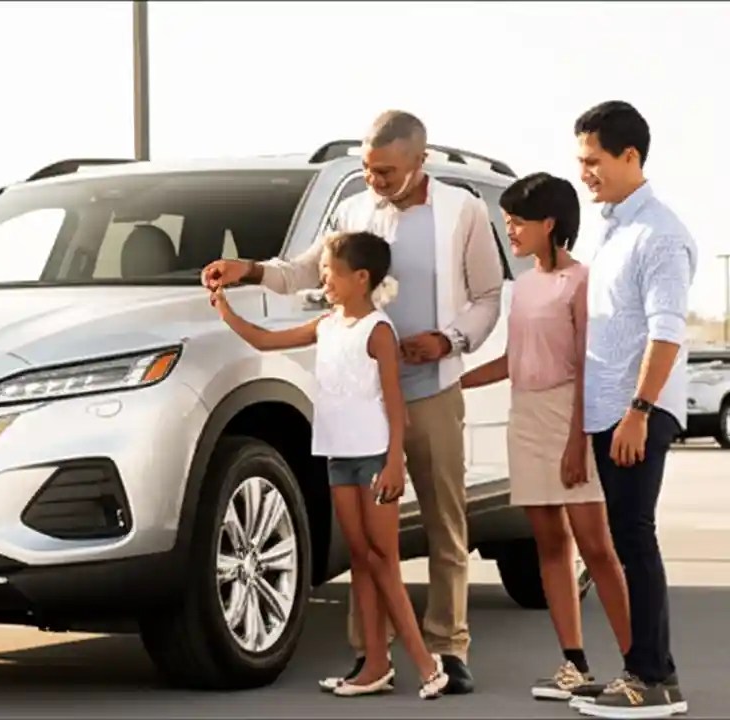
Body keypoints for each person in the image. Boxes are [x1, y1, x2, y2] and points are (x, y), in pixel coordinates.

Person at [201, 110, 504, 694]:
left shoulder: (463, 211)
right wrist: (249, 272)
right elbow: (304, 273)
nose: (375, 179)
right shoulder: (352, 211)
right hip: (361, 411)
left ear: (421, 160)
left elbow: (489, 297)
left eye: (386, 170)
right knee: (365, 542)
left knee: (445, 526)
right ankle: (371, 652)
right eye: (367, 168)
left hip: (433, 389)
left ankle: (448, 646)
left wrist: (449, 340)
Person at [211, 230, 450, 700]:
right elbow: (264, 341)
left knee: (383, 562)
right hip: (337, 456)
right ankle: (374, 666)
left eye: (330, 271)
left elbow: (394, 401)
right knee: (361, 560)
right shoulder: (327, 324)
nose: (323, 277)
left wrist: (395, 462)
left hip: (375, 458)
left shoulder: (378, 330)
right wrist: (224, 310)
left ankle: (426, 665)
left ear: (361, 278)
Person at [458, 171, 632, 702]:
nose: (508, 229)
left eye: (516, 221)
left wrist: (579, 441)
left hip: (570, 416)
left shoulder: (582, 281)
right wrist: (456, 381)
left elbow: (587, 366)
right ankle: (574, 665)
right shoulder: (525, 285)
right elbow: (514, 360)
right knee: (550, 545)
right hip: (526, 418)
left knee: (596, 547)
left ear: (549, 223)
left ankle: (640, 664)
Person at [562, 101, 695, 719]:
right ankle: (640, 669)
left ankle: (652, 678)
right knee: (625, 537)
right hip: (609, 409)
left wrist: (639, 410)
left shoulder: (659, 234)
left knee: (635, 537)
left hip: (635, 410)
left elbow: (666, 330)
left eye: (593, 161)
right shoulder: (614, 227)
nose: (584, 172)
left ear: (629, 156)